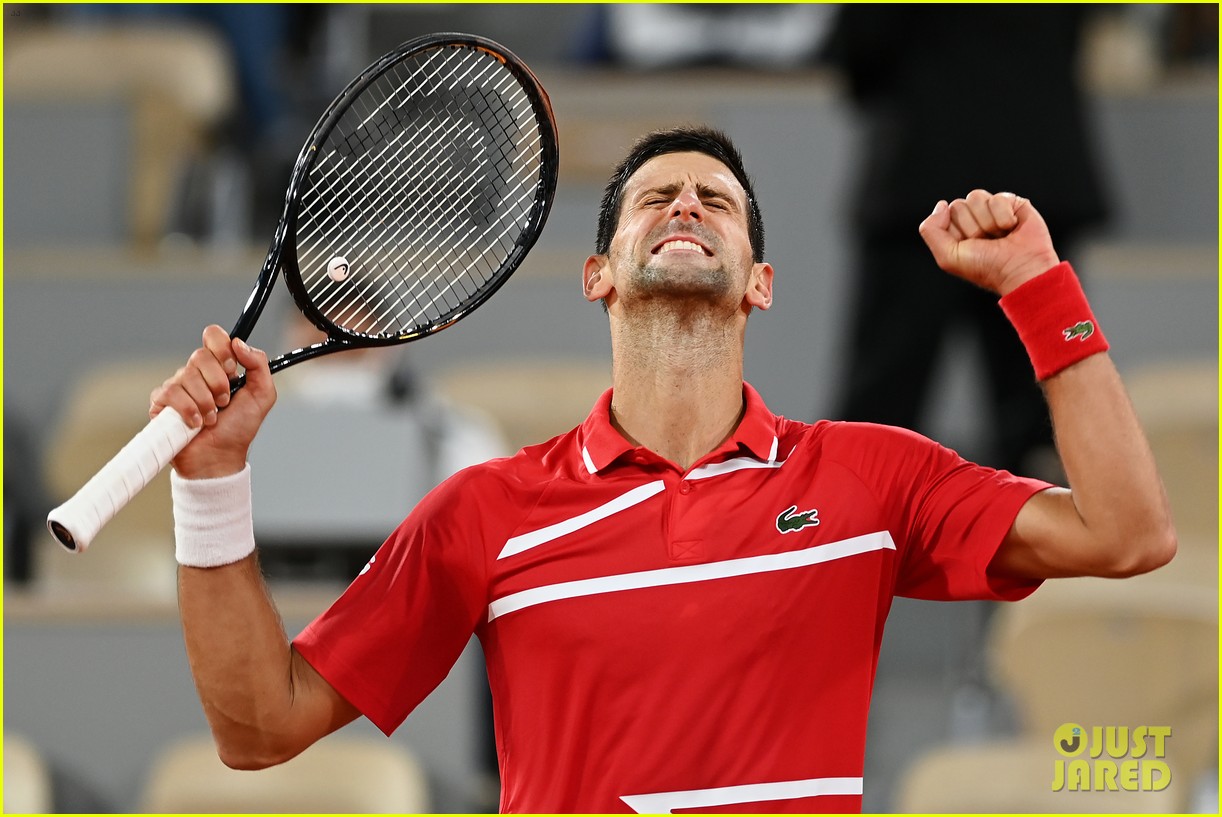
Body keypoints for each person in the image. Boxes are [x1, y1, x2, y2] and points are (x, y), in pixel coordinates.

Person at [151, 126, 1174, 813]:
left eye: (716, 201)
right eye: (655, 198)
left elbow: (1127, 533)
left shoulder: (869, 477)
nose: (685, 206)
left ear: (760, 283)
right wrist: (209, 482)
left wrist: (1037, 287)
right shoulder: (485, 512)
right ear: (598, 273)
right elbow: (258, 726)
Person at [822, 6, 1111, 480]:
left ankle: (851, 539)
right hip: (1037, 173)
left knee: (877, 420)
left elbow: (862, 48)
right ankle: (1056, 544)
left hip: (922, 176)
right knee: (1042, 415)